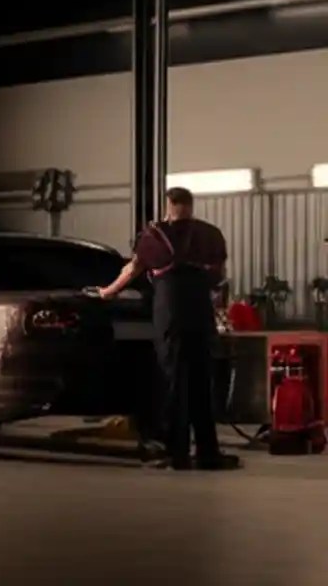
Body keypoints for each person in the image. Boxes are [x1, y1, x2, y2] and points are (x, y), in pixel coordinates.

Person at [97, 187, 236, 470]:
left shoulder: (155, 235)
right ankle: (208, 452)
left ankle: (177, 453)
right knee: (201, 380)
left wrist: (106, 293)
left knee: (174, 379)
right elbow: (219, 276)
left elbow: (133, 269)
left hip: (171, 311)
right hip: (200, 311)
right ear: (191, 205)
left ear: (168, 204)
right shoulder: (210, 234)